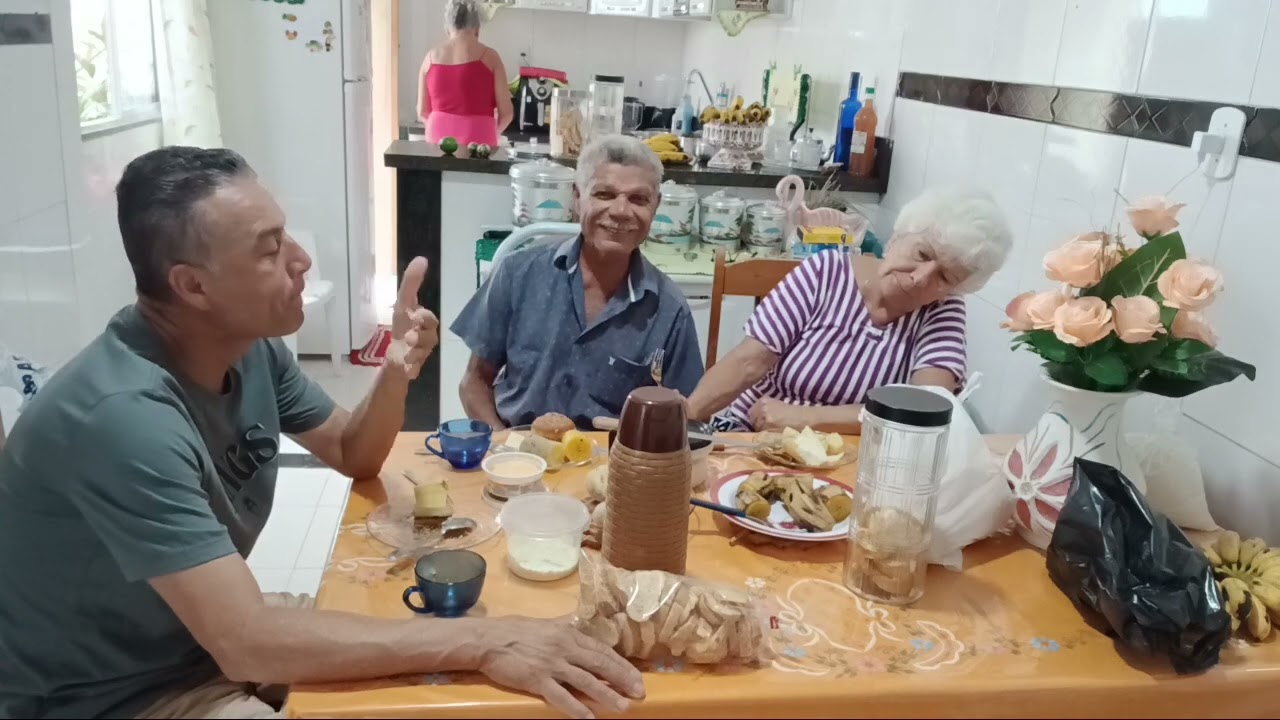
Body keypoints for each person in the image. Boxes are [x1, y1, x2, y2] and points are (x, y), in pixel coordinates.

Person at [0, 147, 643, 720]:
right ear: (192, 285)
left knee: (440, 641)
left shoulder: (247, 347)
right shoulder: (121, 418)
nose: (302, 260)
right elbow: (245, 640)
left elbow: (351, 452)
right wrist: (487, 641)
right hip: (118, 692)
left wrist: (396, 371)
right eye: (269, 249)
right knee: (470, 644)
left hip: (200, 641)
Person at [686, 188, 1012, 432]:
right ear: (900, 235)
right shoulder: (825, 271)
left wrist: (809, 418)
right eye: (923, 254)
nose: (919, 278)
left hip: (852, 459)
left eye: (945, 277)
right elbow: (749, 361)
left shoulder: (942, 310)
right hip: (757, 430)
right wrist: (682, 418)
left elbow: (924, 411)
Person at [453, 135, 704, 429]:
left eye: (638, 199)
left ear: (656, 206)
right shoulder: (518, 273)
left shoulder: (669, 309)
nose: (621, 211)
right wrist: (501, 444)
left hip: (612, 455)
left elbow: (687, 414)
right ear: (576, 197)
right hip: (519, 448)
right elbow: (474, 382)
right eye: (604, 194)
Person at [417, 0, 513, 148]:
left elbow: (422, 111)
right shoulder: (490, 57)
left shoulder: (430, 58)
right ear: (477, 30)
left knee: (440, 164)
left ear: (448, 29)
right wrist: (492, 132)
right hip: (479, 135)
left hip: (438, 136)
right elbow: (506, 114)